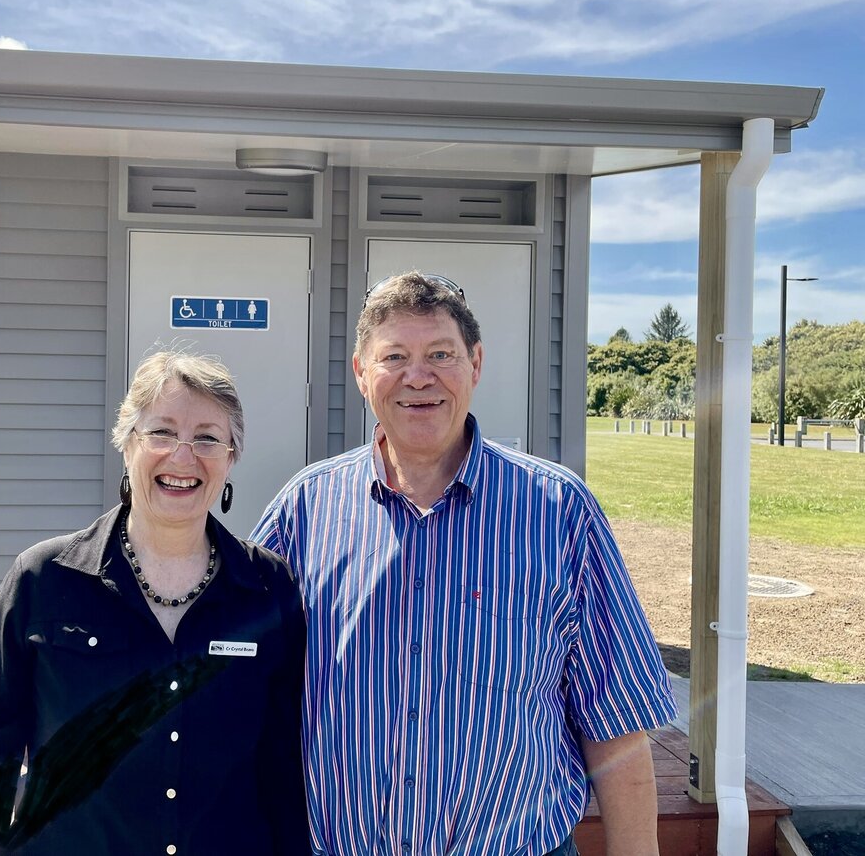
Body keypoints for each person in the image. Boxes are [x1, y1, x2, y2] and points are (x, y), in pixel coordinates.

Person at [252, 272, 677, 856]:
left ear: (475, 364)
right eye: (394, 356)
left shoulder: (558, 510)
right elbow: (233, 673)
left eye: (440, 354)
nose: (417, 376)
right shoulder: (305, 509)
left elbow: (617, 721)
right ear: (361, 373)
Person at [0, 349, 308, 855]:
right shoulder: (43, 579)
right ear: (127, 444)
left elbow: (282, 760)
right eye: (161, 432)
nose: (184, 456)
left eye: (207, 437)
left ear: (231, 456)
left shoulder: (267, 587)